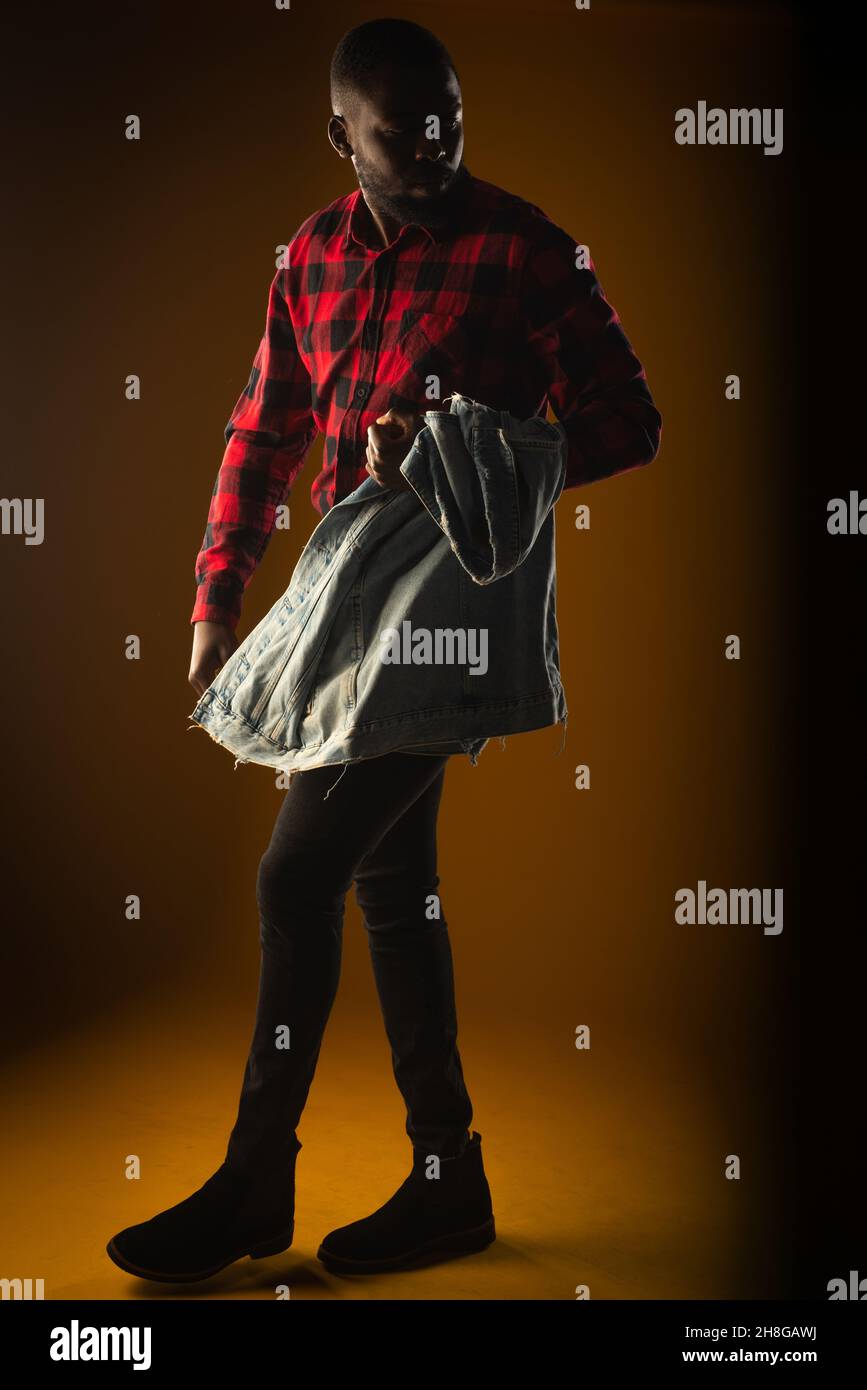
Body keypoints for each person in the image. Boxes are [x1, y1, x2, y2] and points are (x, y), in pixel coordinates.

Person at [106, 16, 661, 1284]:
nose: (434, 140)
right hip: (351, 605)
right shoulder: (306, 256)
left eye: (450, 114)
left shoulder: (524, 249)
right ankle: (447, 1179)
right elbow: (262, 435)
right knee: (389, 892)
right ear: (340, 132)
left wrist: (481, 449)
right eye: (402, 124)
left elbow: (631, 417)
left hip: (456, 611)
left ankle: (256, 1183)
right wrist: (213, 607)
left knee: (293, 876)